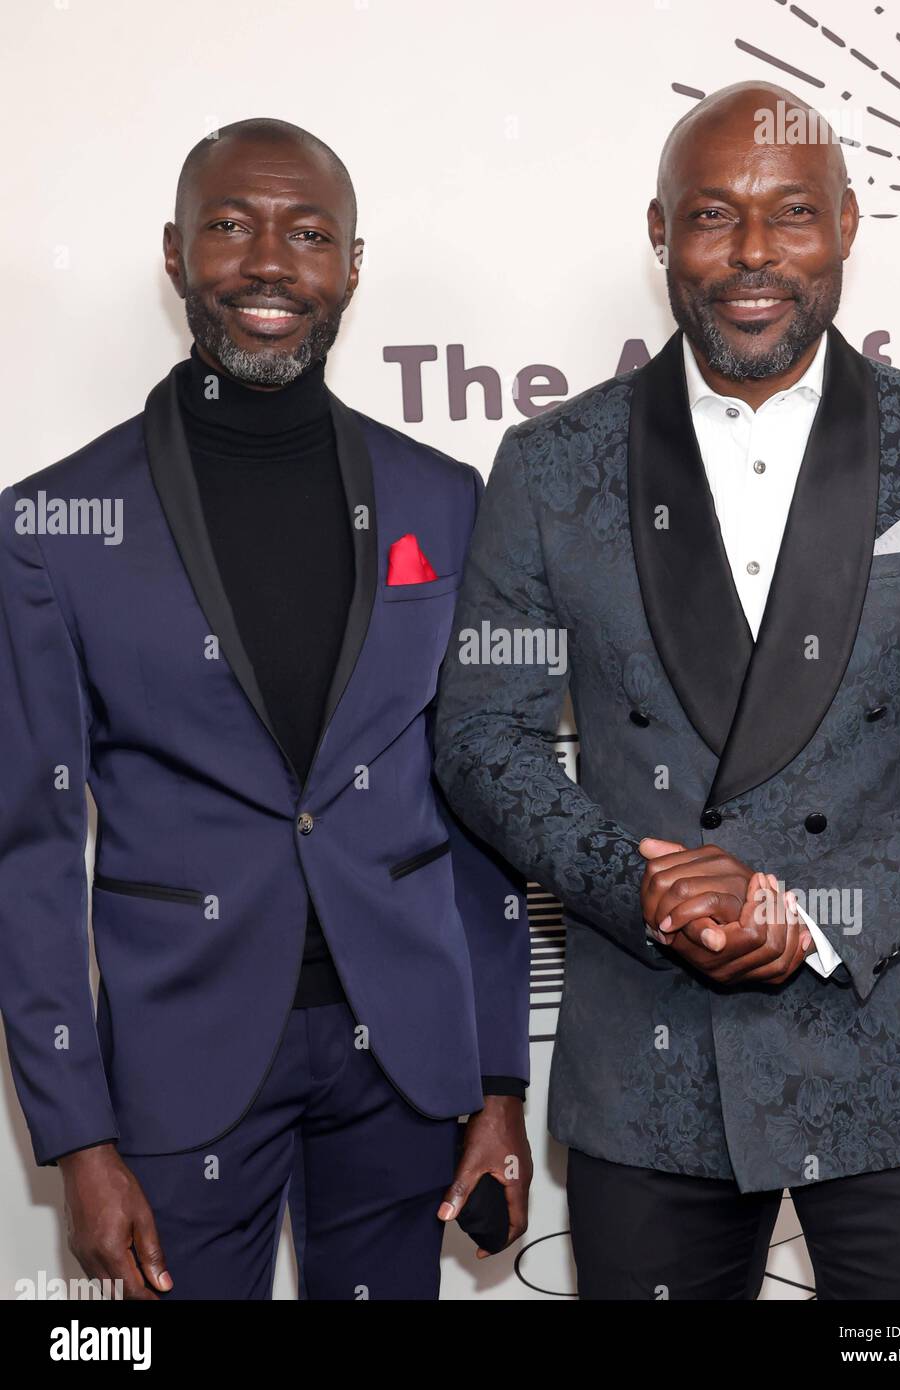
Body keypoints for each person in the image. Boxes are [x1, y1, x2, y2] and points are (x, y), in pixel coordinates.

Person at [434, 82, 900, 1300]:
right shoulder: (552, 467)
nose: (754, 253)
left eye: (792, 214)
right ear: (660, 232)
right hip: (650, 1065)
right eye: (713, 215)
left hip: (898, 1058)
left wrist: (812, 912)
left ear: (849, 224)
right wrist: (639, 881)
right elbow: (483, 738)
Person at [0, 117, 530, 1300]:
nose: (268, 264)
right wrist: (79, 1143)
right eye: (231, 226)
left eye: (308, 234)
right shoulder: (52, 528)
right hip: (182, 1059)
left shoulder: (443, 502)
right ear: (176, 253)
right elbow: (27, 857)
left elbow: (482, 812)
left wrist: (501, 1079)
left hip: (401, 1054)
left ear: (351, 264)